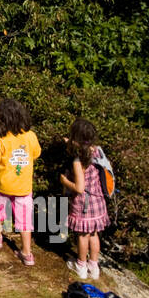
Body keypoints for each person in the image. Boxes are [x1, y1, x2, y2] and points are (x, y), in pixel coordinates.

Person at [0, 98, 41, 265]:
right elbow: (36, 154)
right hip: (23, 187)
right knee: (24, 220)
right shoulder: (31, 136)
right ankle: (27, 253)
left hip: (2, 184)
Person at [60, 117, 109, 280]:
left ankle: (80, 265)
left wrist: (65, 181)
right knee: (94, 234)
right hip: (98, 202)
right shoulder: (97, 151)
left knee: (83, 235)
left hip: (84, 204)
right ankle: (94, 266)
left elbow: (79, 188)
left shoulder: (78, 160)